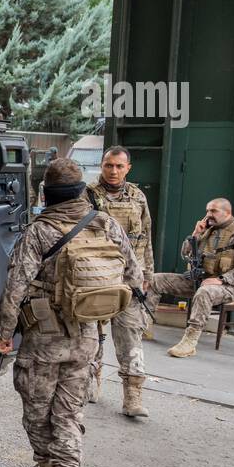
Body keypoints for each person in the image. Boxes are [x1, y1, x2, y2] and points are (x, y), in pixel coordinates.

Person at [0, 159, 142, 467]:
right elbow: (135, 275)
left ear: (46, 194)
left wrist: (2, 335)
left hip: (44, 339)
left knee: (38, 412)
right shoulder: (106, 223)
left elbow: (14, 290)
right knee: (70, 415)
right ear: (80, 192)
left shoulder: (39, 231)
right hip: (88, 337)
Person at [85, 146, 154, 417]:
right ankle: (91, 382)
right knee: (92, 335)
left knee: (130, 337)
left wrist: (147, 275)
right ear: (102, 166)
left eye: (118, 166)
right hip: (96, 277)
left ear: (128, 168)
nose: (113, 171)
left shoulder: (138, 197)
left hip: (130, 281)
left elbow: (146, 237)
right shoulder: (87, 194)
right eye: (108, 165)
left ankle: (133, 396)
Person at [150, 198, 234, 358]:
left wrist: (221, 279)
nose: (208, 215)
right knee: (155, 279)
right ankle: (144, 324)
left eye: (213, 211)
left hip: (229, 286)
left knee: (205, 292)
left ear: (227, 212)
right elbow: (185, 254)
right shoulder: (207, 230)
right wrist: (195, 234)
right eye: (207, 211)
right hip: (199, 280)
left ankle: (190, 342)